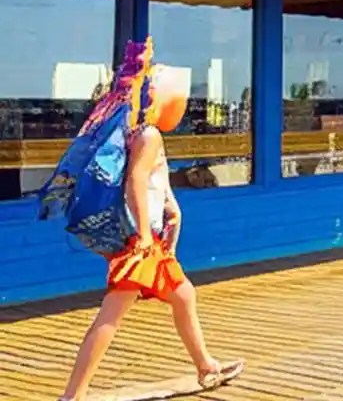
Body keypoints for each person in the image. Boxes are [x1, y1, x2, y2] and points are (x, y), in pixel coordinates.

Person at [51, 39, 243, 401]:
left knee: (184, 295)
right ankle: (72, 396)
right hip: (140, 240)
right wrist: (141, 235)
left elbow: (154, 181)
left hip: (148, 237)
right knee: (112, 314)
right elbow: (136, 182)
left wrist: (173, 207)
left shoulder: (141, 132)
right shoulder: (149, 135)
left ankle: (205, 366)